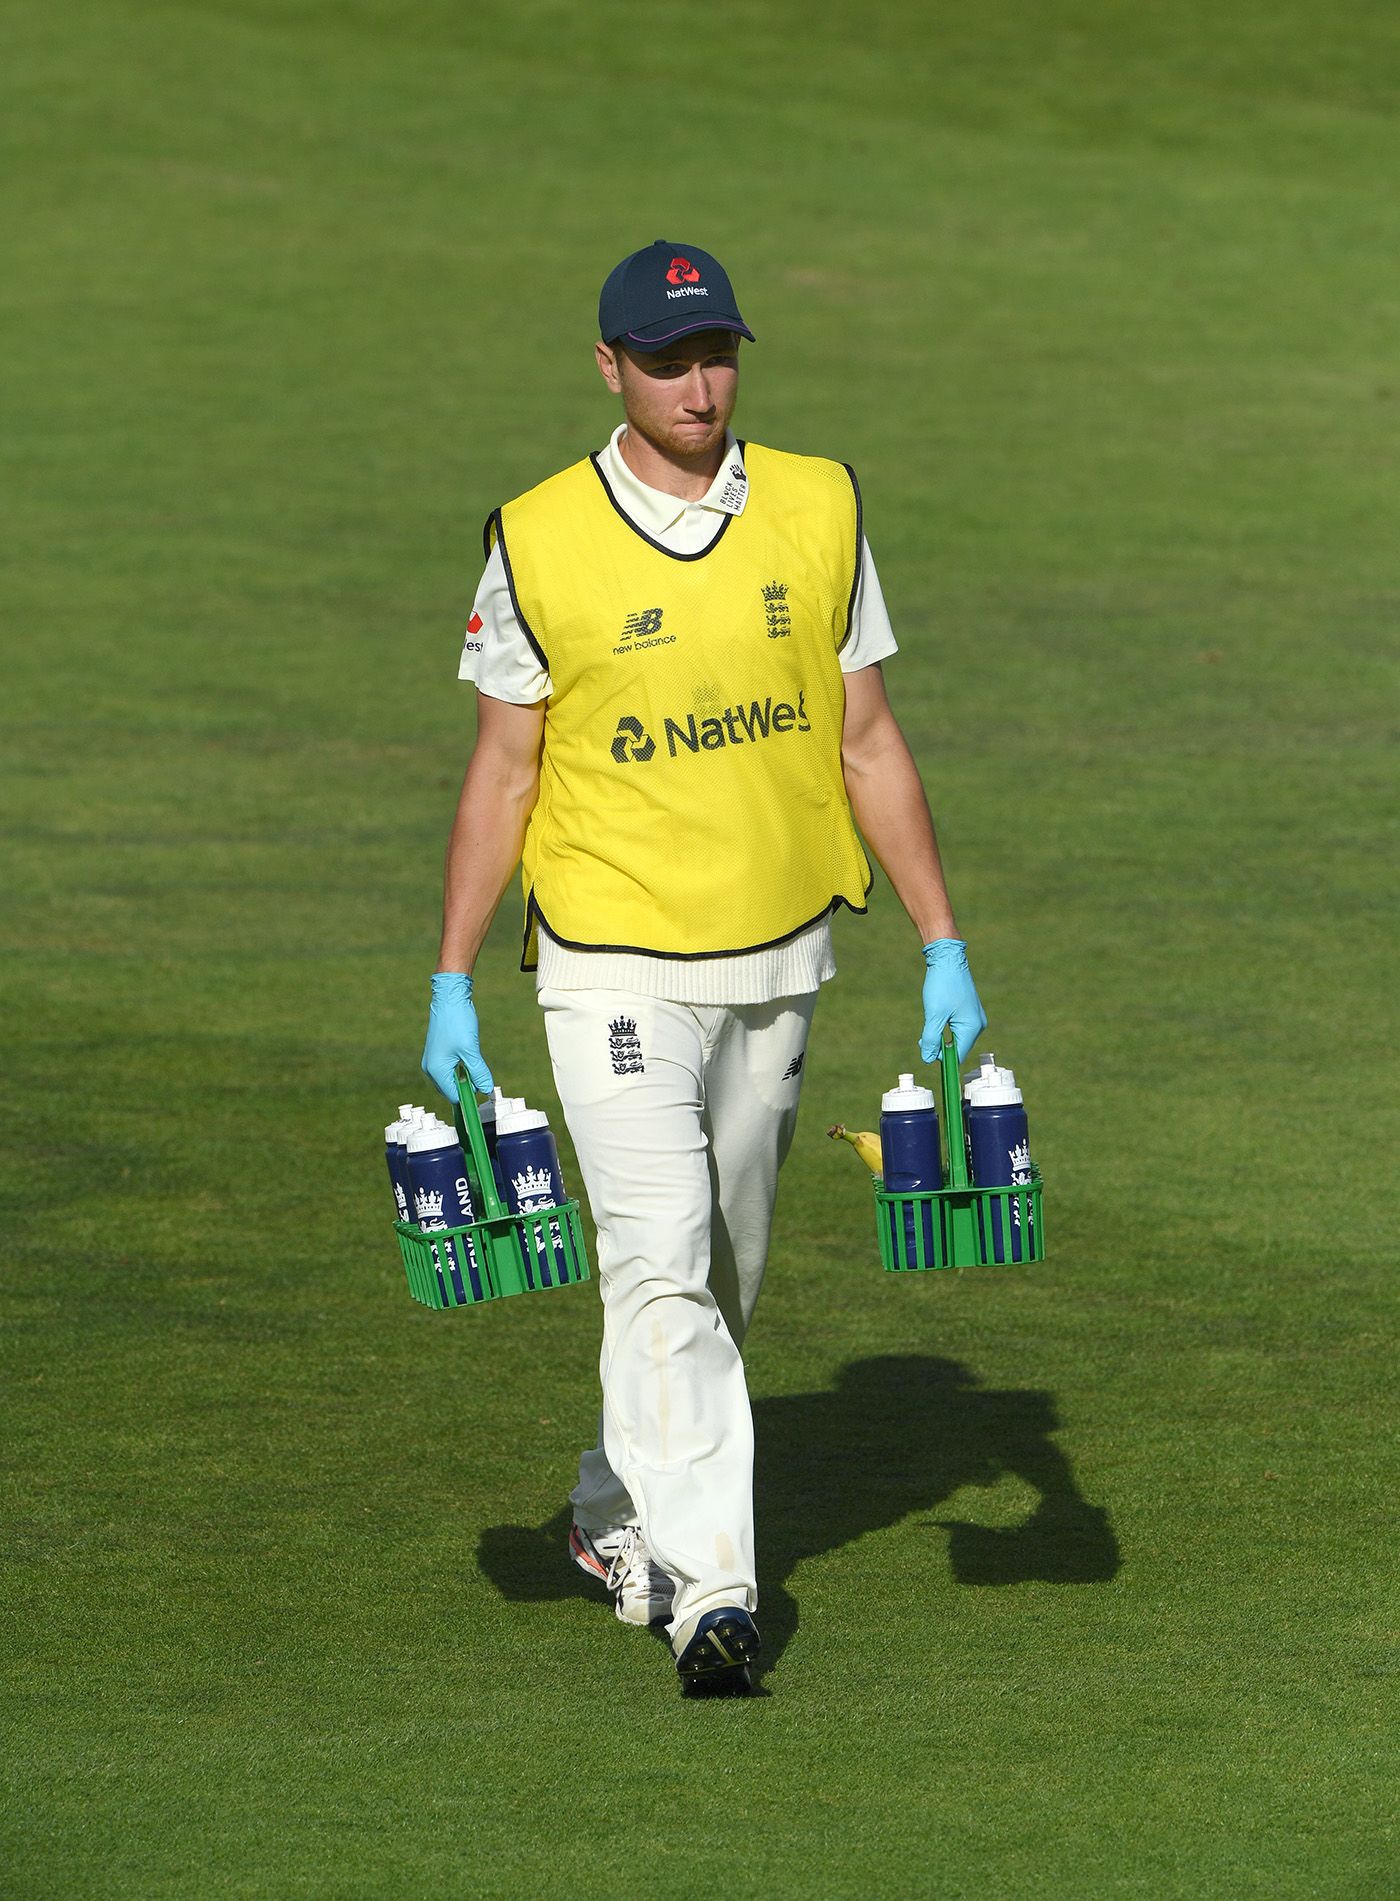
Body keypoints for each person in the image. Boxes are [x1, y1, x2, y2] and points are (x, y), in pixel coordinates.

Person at [422, 240, 986, 1696]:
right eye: (666, 359)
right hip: (607, 957)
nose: (699, 382)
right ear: (609, 365)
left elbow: (866, 739)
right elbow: (501, 774)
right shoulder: (537, 537)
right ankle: (713, 1596)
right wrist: (450, 979)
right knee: (658, 1259)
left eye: (717, 350)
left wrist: (944, 942)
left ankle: (614, 1513)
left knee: (718, 1277)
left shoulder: (817, 503)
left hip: (782, 950)